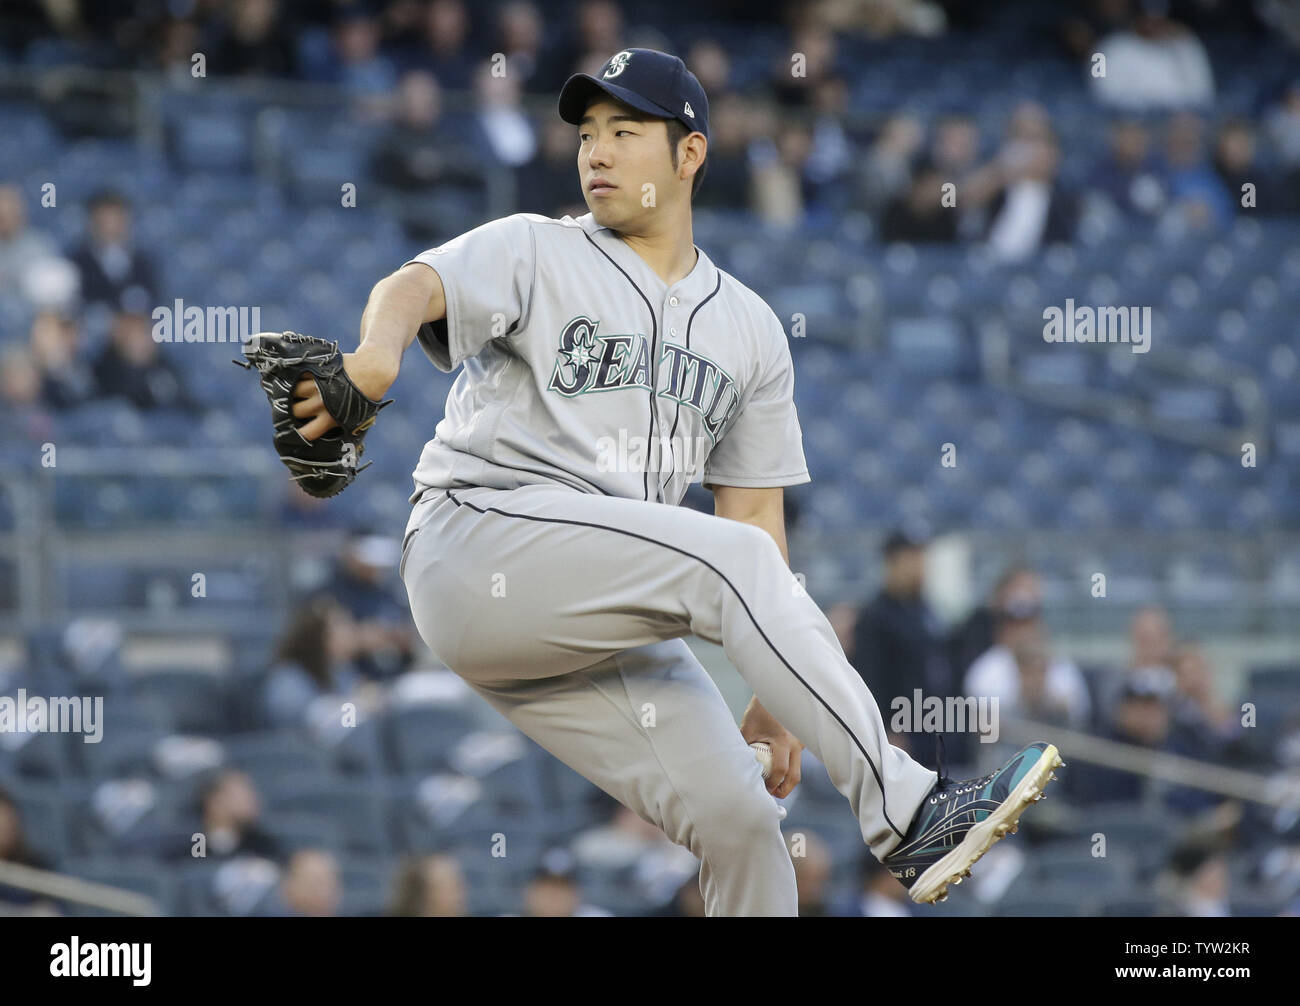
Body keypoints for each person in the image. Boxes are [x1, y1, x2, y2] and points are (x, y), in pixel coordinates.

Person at [289, 47, 1060, 916]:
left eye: (625, 131)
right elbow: (412, 283)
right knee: (718, 559)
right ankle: (912, 809)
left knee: (740, 817)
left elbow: (757, 517)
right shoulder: (536, 247)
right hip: (479, 541)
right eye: (587, 132)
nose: (597, 152)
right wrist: (374, 357)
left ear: (690, 153)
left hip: (594, 609)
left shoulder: (752, 328)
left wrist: (781, 697)